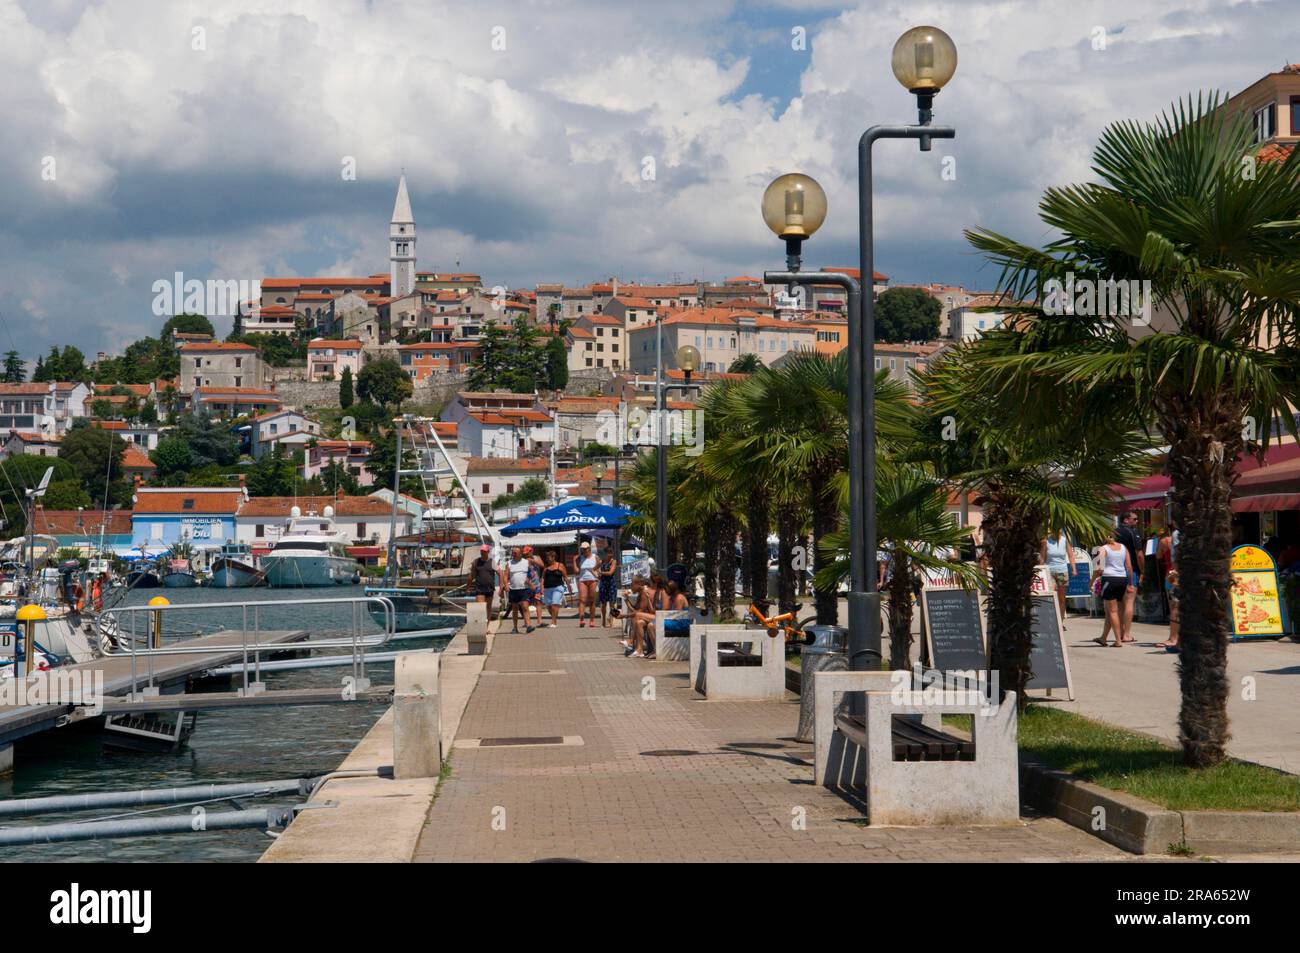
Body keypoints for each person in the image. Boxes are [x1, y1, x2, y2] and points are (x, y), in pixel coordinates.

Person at [1092, 530, 1133, 647]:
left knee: (1112, 611)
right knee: (1112, 610)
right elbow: (1129, 566)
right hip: (1122, 579)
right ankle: (1103, 637)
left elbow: (1098, 569)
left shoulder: (1102, 548)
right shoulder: (1123, 547)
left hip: (1109, 579)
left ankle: (1118, 641)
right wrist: (1130, 583)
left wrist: (1090, 582)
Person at [1115, 511, 1145, 643]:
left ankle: (1120, 633)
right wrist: (1143, 571)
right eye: (1135, 519)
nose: (1137, 521)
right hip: (1129, 570)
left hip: (1114, 572)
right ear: (1126, 520)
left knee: (1120, 604)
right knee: (1129, 602)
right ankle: (1126, 634)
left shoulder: (1113, 533)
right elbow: (1139, 554)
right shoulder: (1133, 533)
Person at [1041, 530, 1073, 626]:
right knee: (1051, 595)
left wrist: (1074, 569)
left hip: (1062, 571)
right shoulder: (1046, 541)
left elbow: (1071, 555)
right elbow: (1042, 557)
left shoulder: (1065, 540)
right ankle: (1050, 619)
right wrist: (1039, 569)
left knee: (1062, 598)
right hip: (1049, 571)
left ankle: (1060, 622)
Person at [502, 547, 533, 634]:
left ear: (520, 554)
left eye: (515, 553)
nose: (513, 554)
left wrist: (529, 578)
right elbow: (505, 575)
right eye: (513, 552)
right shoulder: (509, 563)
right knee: (514, 609)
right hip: (513, 589)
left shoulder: (526, 562)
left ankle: (528, 626)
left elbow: (531, 573)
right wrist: (506, 585)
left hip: (524, 588)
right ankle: (515, 628)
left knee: (525, 607)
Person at [573, 541, 599, 628]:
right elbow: (576, 571)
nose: (583, 551)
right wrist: (574, 561)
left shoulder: (595, 557)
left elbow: (599, 565)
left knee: (592, 601)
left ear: (589, 549)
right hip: (583, 580)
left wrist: (595, 570)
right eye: (582, 549)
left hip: (593, 580)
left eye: (584, 549)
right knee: (582, 600)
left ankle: (592, 620)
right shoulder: (580, 558)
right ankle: (581, 619)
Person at [541, 550, 568, 628]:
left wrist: (569, 586)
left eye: (548, 557)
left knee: (554, 604)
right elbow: (543, 577)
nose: (547, 559)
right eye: (547, 558)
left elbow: (565, 576)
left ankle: (553, 622)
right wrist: (541, 586)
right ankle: (554, 618)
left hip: (558, 587)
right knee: (549, 606)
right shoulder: (546, 567)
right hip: (547, 588)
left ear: (553, 557)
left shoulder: (560, 565)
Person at [470, 544, 498, 618]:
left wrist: (502, 585)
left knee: (488, 608)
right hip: (479, 589)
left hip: (489, 588)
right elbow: (471, 575)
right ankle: (482, 626)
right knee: (480, 608)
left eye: (484, 551)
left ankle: (487, 626)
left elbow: (500, 573)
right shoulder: (476, 562)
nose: (482, 552)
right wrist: (468, 587)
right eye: (481, 551)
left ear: (488, 551)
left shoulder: (492, 562)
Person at [1156, 569, 1180, 652]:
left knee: (1175, 608)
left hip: (1176, 577)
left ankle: (1174, 639)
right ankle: (1175, 639)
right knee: (1175, 608)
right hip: (1174, 577)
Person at [524, 545, 545, 629]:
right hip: (527, 586)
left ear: (531, 551)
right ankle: (527, 622)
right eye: (524, 554)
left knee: (538, 602)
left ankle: (539, 621)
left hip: (537, 586)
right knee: (526, 604)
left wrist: (532, 560)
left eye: (527, 553)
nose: (526, 555)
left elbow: (542, 565)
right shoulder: (523, 560)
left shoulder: (537, 557)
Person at [598, 547, 619, 627]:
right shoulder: (601, 561)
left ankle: (611, 622)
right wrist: (597, 575)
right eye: (609, 552)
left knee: (612, 604)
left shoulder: (613, 561)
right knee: (603, 604)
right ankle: (603, 621)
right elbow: (593, 569)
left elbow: (610, 573)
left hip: (611, 584)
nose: (611, 554)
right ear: (606, 553)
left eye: (611, 552)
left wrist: (601, 573)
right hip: (603, 584)